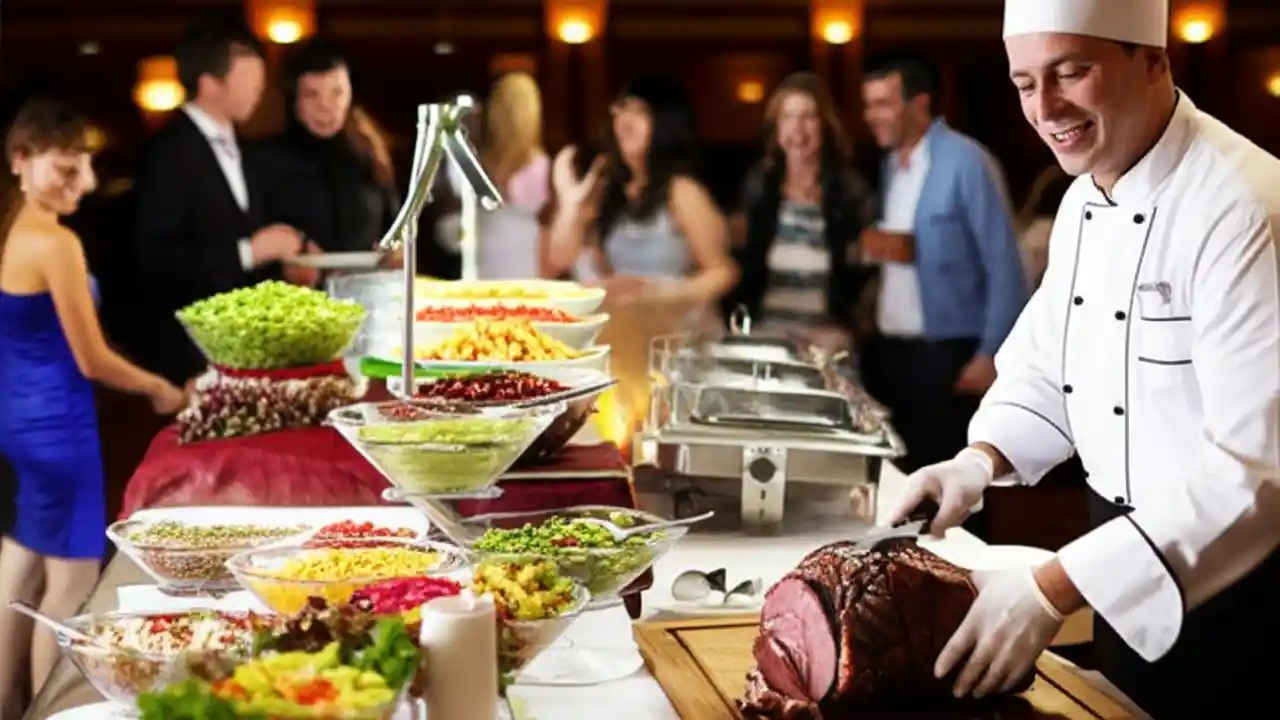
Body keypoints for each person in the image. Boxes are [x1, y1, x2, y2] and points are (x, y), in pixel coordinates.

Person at [885, 0, 1280, 715]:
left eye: (1071, 72)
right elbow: (1046, 369)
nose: (1046, 107)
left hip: (1244, 592)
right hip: (1118, 563)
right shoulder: (1082, 199)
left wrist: (1052, 588)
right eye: (1026, 82)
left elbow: (1255, 473)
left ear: (1155, 61)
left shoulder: (1245, 207)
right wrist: (975, 464)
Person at [0, 98, 185, 715]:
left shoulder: (10, 229)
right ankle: (46, 713)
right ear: (20, 160)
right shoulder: (55, 243)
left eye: (84, 168)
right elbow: (93, 359)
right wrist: (160, 387)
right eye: (66, 168)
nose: (82, 183)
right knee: (72, 585)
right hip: (58, 428)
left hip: (17, 420)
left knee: (19, 570)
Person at [856, 51, 1029, 478]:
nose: (871, 116)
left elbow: (1005, 263)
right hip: (892, 353)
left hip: (948, 354)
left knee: (953, 484)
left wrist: (991, 353)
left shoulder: (966, 160)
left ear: (920, 103)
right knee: (904, 480)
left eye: (883, 104)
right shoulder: (889, 167)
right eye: (868, 104)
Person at [133, 20, 303, 384]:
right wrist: (247, 251)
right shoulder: (169, 152)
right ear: (211, 84)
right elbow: (155, 257)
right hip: (190, 352)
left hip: (241, 346)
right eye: (249, 79)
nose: (260, 89)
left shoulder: (240, 144)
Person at [543, 74, 737, 313]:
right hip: (629, 329)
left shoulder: (682, 190)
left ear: (666, 124)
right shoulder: (608, 185)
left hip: (677, 331)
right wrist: (570, 203)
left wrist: (663, 293)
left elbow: (723, 273)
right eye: (623, 109)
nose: (626, 122)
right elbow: (560, 259)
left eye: (641, 113)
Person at [727, 72, 879, 348]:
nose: (798, 128)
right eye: (788, 117)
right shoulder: (758, 185)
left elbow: (871, 277)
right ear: (776, 130)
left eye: (809, 117)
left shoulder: (851, 191)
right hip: (766, 333)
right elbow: (740, 265)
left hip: (828, 338)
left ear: (825, 125)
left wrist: (851, 331)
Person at [256, 37, 398, 273]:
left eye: (337, 92)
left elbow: (396, 229)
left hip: (366, 294)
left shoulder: (370, 155)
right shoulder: (264, 163)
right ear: (294, 100)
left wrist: (396, 253)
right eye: (312, 95)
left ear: (350, 94)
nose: (326, 106)